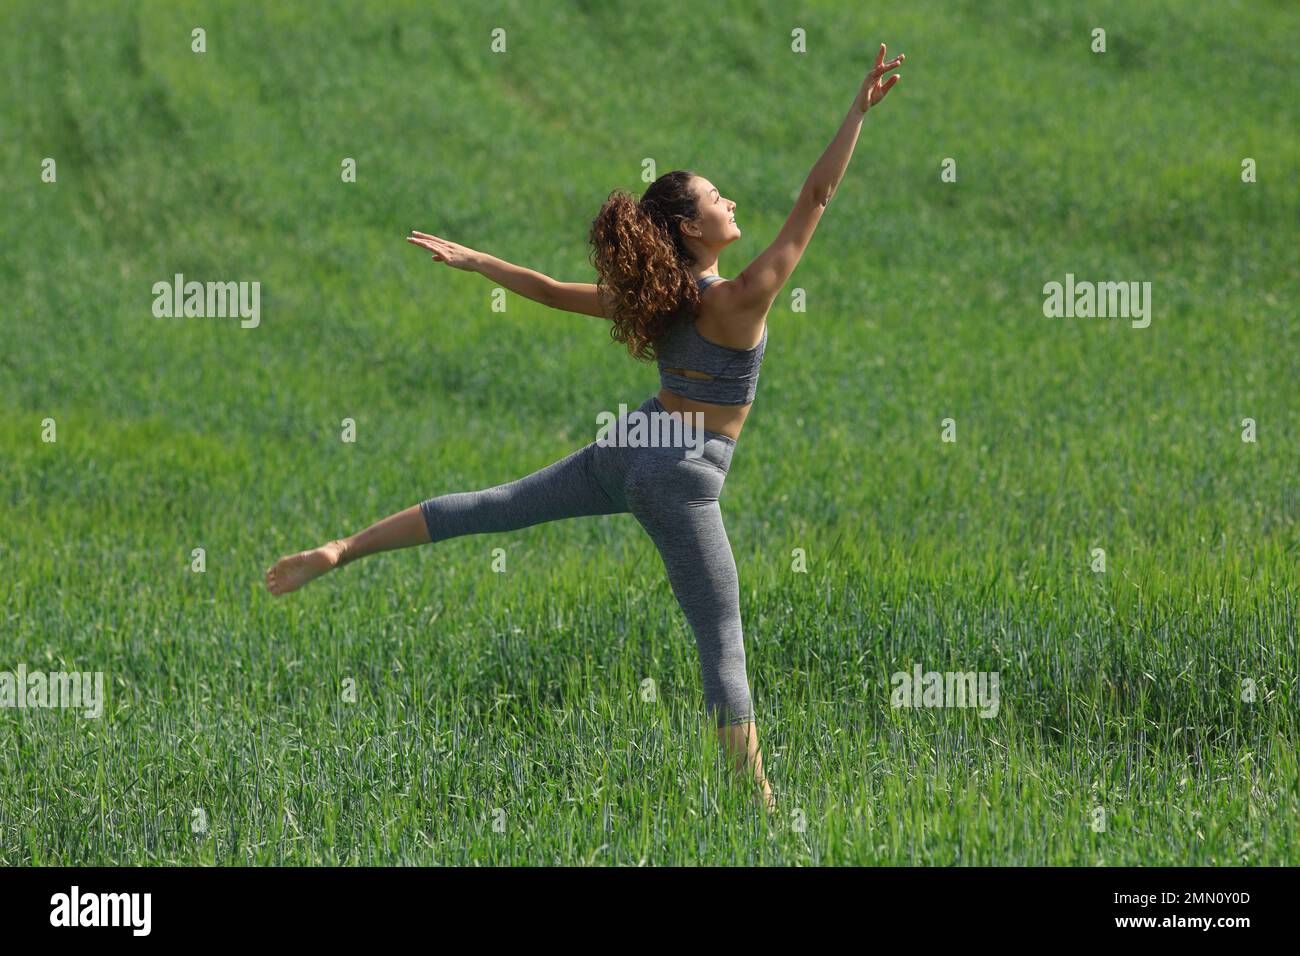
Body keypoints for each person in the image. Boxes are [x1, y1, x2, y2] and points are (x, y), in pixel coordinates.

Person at [266, 43, 906, 814]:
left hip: (635, 446)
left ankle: (344, 548)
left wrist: (474, 259)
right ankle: (761, 809)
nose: (731, 201)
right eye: (716, 197)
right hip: (684, 475)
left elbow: (542, 288)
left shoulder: (658, 301)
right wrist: (856, 112)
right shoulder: (738, 299)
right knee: (721, 637)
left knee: (498, 504)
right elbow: (818, 196)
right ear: (688, 226)